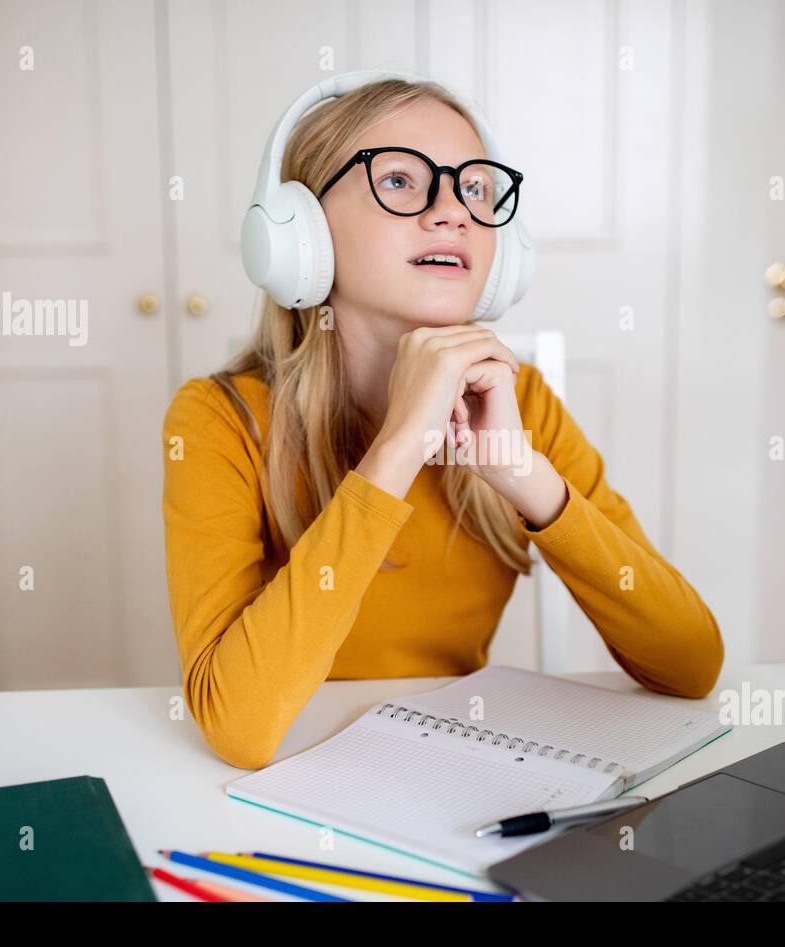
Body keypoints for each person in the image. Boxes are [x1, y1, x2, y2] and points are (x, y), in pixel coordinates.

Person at [162, 78, 723, 768]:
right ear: (299, 232)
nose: (454, 212)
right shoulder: (219, 421)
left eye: (477, 190)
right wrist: (396, 451)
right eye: (401, 180)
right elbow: (240, 727)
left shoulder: (519, 401)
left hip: (447, 768)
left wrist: (523, 475)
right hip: (300, 767)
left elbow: (692, 663)